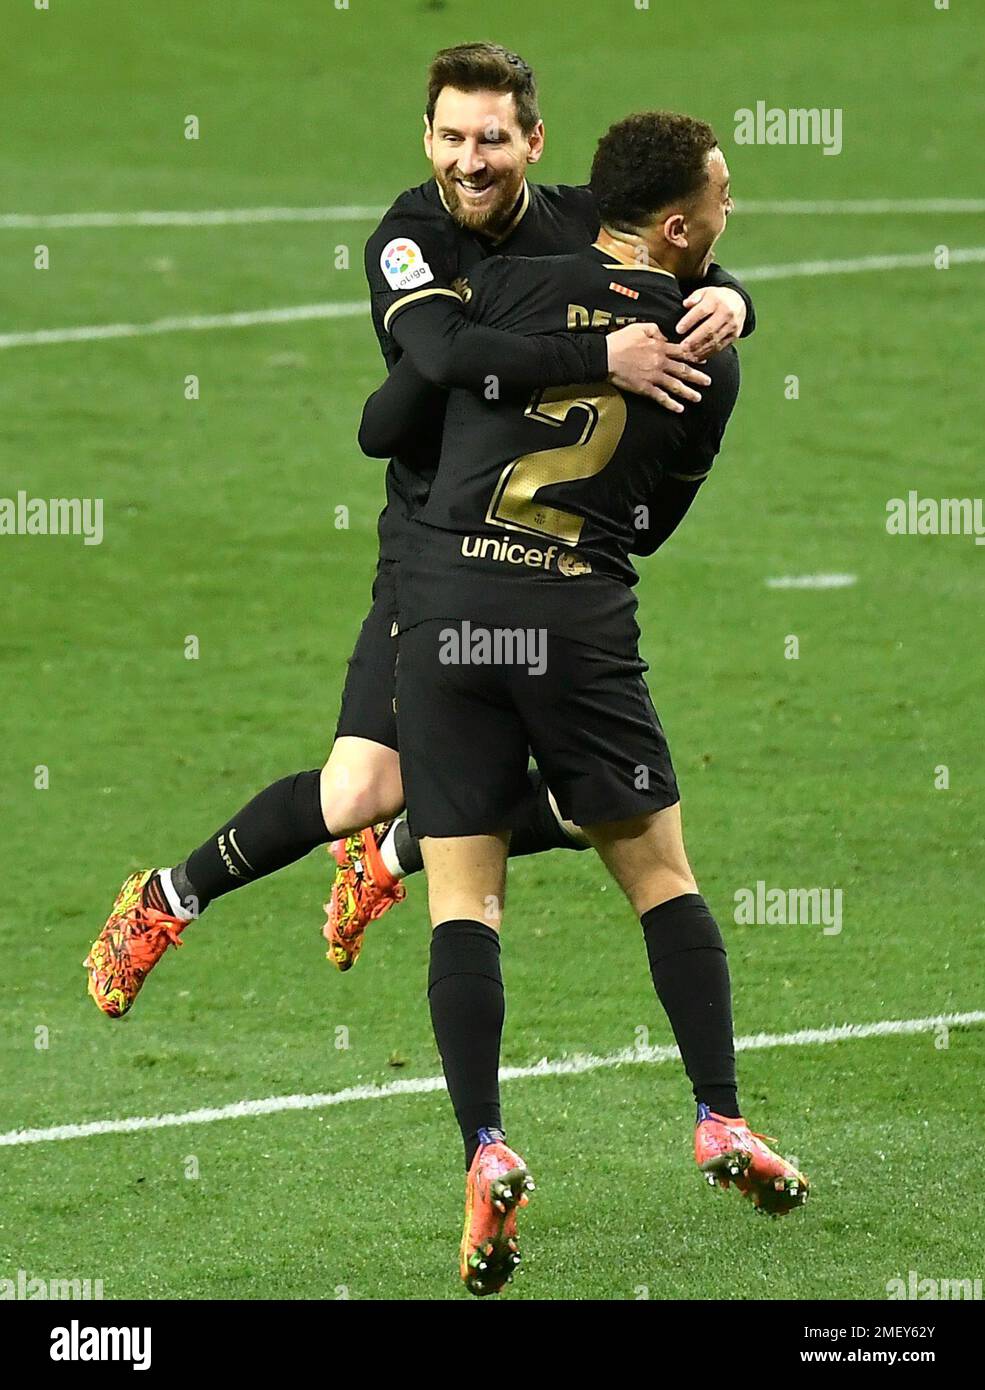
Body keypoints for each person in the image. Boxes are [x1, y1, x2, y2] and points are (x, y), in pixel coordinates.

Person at [83, 45, 753, 1018]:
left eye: (491, 139)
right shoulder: (409, 238)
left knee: (597, 797)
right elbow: (440, 351)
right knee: (360, 788)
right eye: (449, 137)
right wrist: (599, 349)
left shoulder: (573, 220)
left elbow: (677, 251)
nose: (468, 161)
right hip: (434, 542)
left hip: (549, 555)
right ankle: (166, 897)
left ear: (532, 141)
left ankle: (393, 857)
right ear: (426, 138)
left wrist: (735, 296)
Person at [378, 110, 808, 1296]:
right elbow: (655, 525)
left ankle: (485, 1143)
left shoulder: (507, 279)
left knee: (463, 900)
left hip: (452, 605)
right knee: (660, 874)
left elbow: (391, 419)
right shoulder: (704, 348)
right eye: (722, 196)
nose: (731, 213)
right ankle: (717, 1116)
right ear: (678, 227)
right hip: (574, 610)